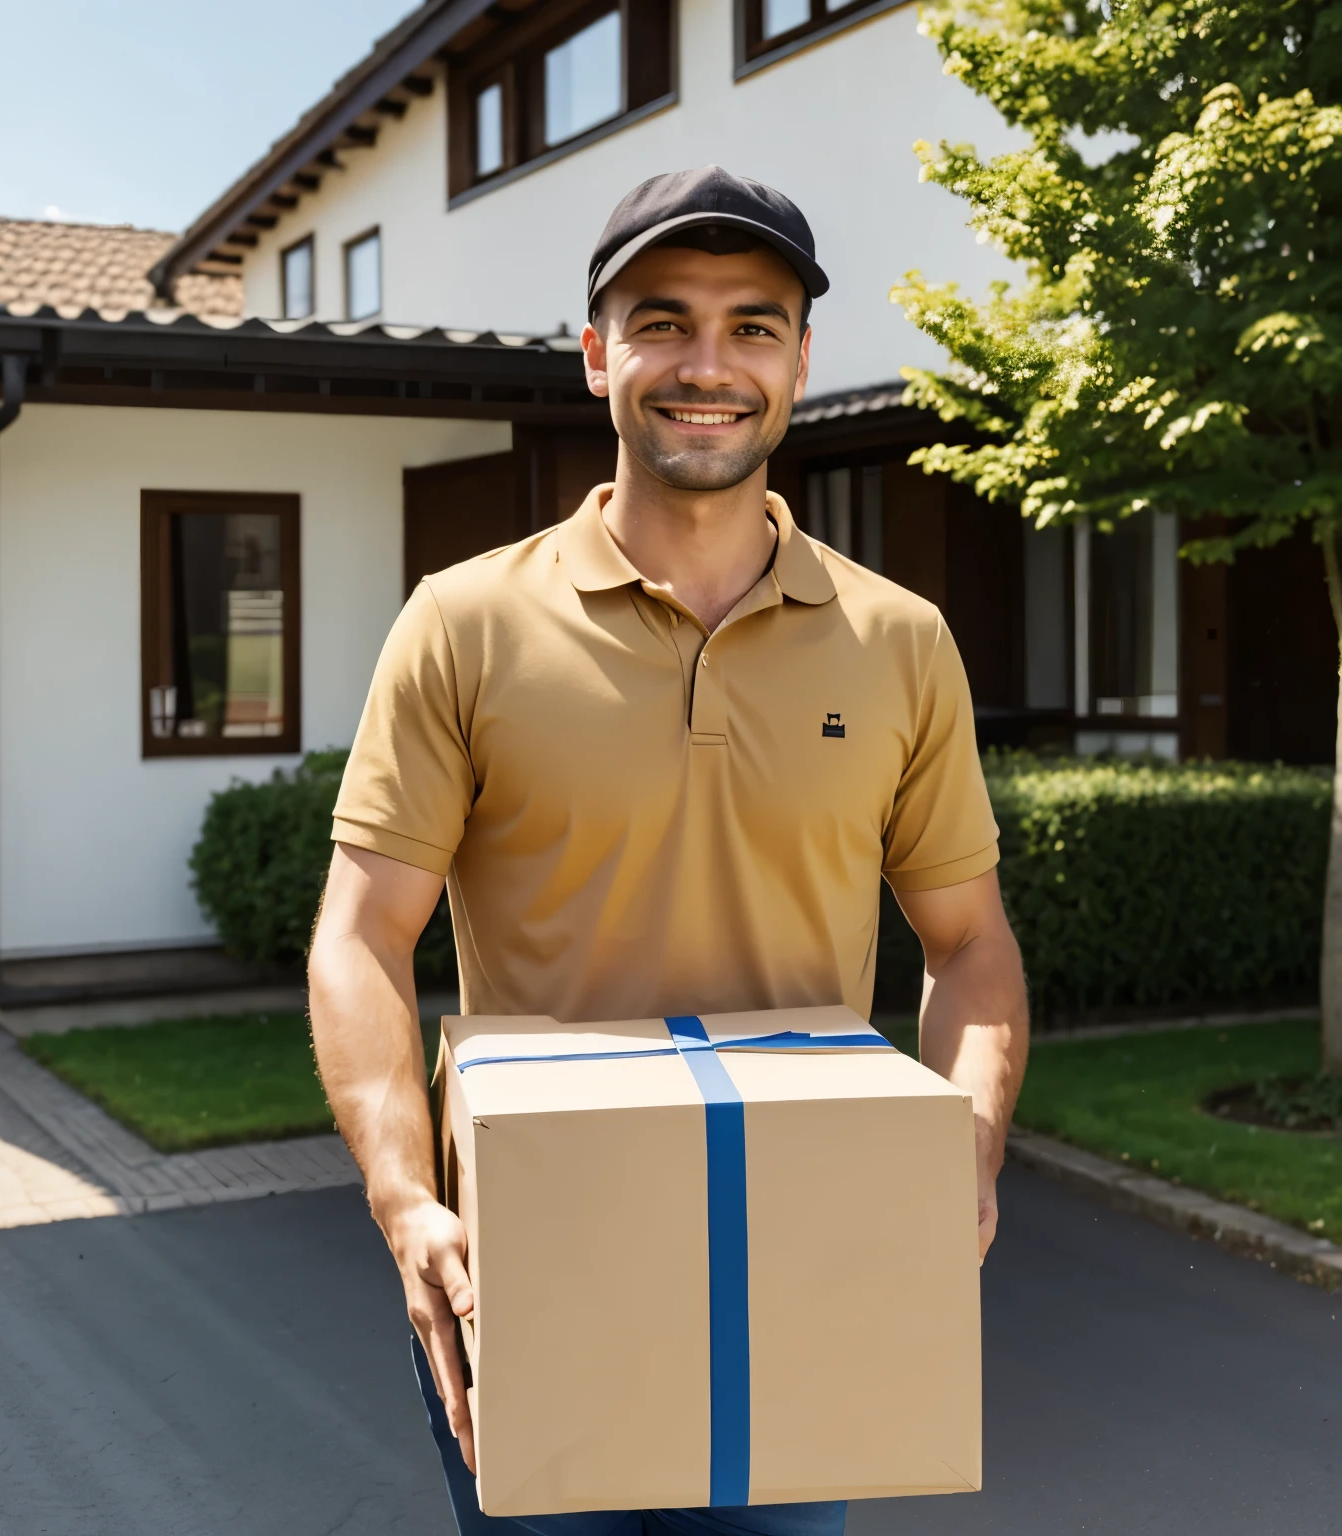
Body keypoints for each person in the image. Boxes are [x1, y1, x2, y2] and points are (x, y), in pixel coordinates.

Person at [309, 166, 1030, 1536]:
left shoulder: (900, 641)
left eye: (753, 325)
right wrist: (407, 1202)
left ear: (804, 361)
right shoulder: (463, 625)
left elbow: (968, 942)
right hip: (524, 1273)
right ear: (597, 355)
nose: (709, 365)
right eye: (663, 321)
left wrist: (969, 1147)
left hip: (806, 1263)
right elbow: (361, 934)